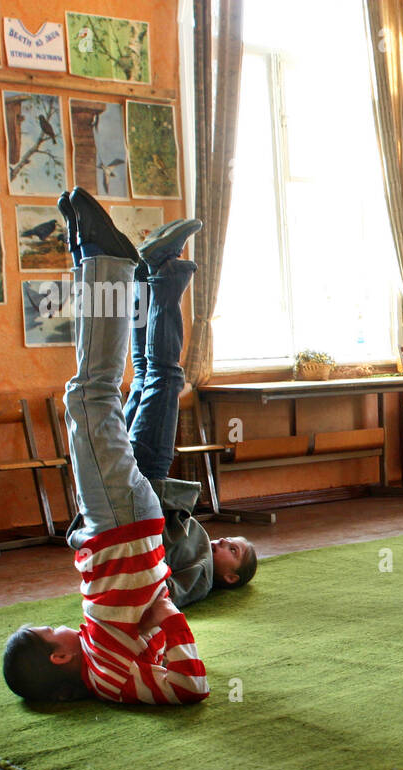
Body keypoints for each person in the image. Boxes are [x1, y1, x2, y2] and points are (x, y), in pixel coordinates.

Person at [2, 188, 210, 705]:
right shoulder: (109, 677)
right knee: (91, 392)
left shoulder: (103, 656)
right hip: (120, 524)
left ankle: (96, 258)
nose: (61, 625)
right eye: (52, 632)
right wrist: (168, 614)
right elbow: (191, 687)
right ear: (59, 658)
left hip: (121, 526)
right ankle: (103, 262)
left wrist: (155, 620)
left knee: (110, 391)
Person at [113, 214, 258, 605]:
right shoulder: (201, 547)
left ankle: (163, 273)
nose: (226, 539)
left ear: (229, 576)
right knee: (146, 375)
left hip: (146, 486)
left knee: (164, 376)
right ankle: (146, 276)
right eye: (234, 542)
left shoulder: (203, 573)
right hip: (138, 492)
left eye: (235, 549)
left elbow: (164, 595)